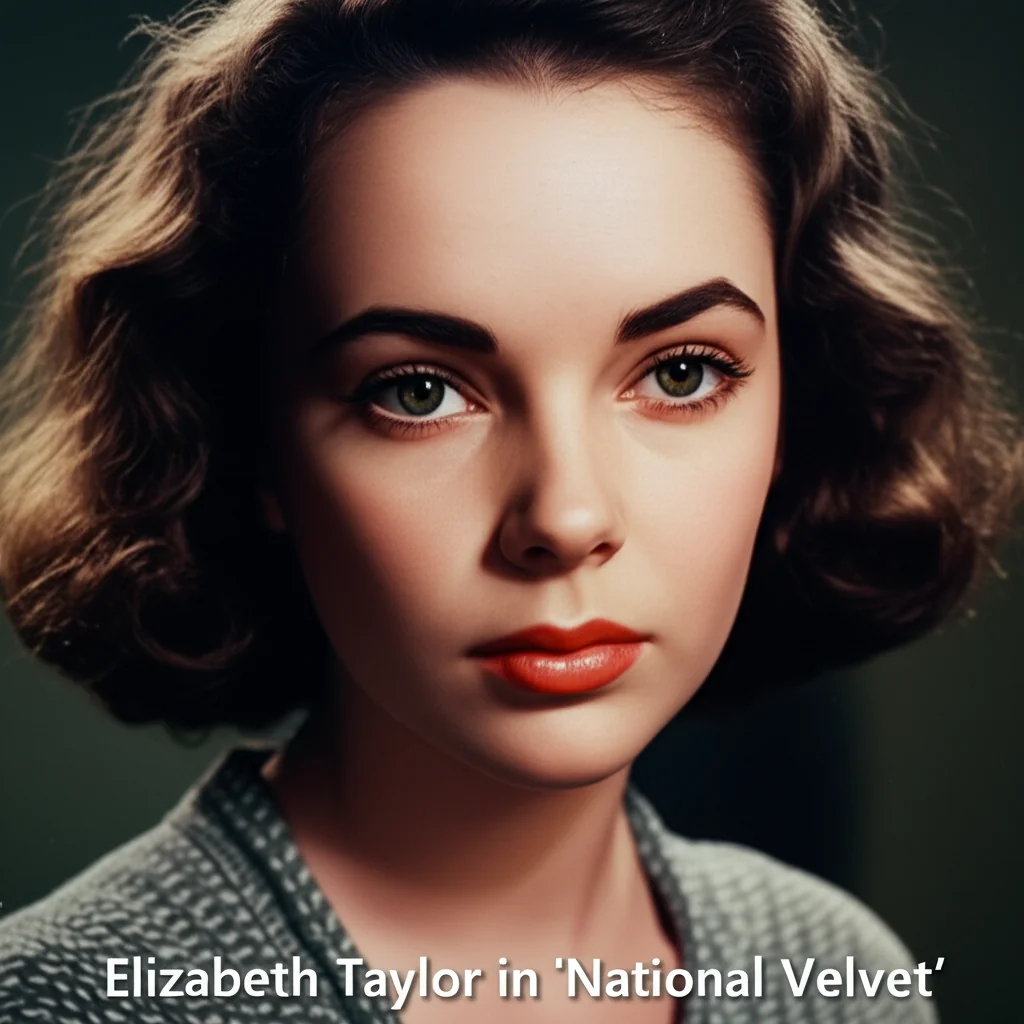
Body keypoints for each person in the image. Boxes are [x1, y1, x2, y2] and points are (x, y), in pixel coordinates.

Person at [0, 0, 1020, 1021]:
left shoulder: (836, 979)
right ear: (250, 440)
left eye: (680, 371)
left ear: (795, 403)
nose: (567, 516)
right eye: (417, 391)